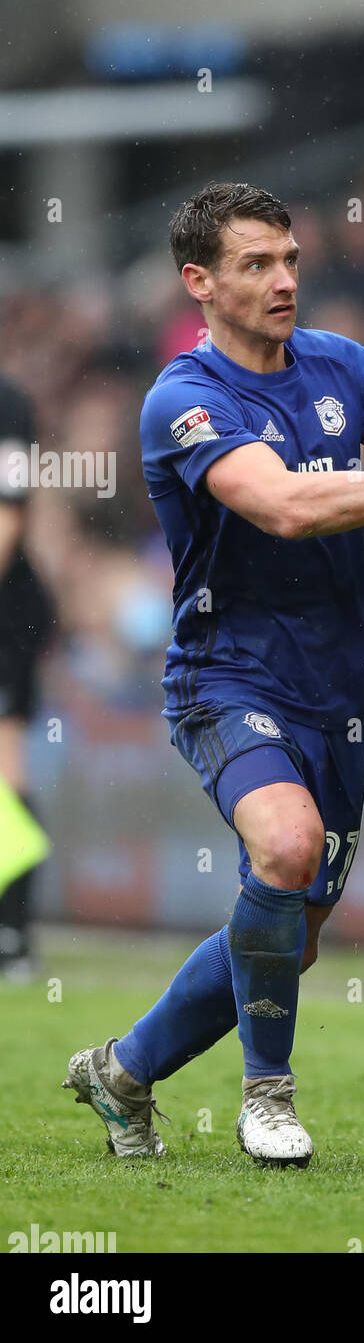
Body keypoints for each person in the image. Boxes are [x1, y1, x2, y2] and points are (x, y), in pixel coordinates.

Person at [63, 181, 364, 1166]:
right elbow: (283, 506)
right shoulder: (182, 401)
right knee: (286, 845)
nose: (283, 280)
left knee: (296, 931)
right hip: (228, 675)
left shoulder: (341, 365)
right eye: (255, 264)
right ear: (199, 281)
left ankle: (123, 1071)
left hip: (341, 684)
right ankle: (267, 1097)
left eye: (288, 259)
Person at [0, 373, 55, 980]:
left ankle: (11, 930)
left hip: (5, 612)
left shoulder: (7, 403)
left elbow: (6, 517)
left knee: (4, 764)